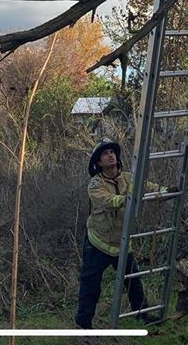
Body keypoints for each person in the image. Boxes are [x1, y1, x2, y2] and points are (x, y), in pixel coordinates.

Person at [75, 138, 148, 330]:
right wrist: (129, 198)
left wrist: (165, 191)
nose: (110, 155)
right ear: (98, 162)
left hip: (121, 242)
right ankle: (83, 325)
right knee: (91, 285)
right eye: (105, 153)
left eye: (112, 152)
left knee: (133, 280)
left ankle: (142, 315)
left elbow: (145, 187)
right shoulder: (95, 184)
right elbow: (109, 201)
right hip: (98, 243)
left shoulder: (127, 178)